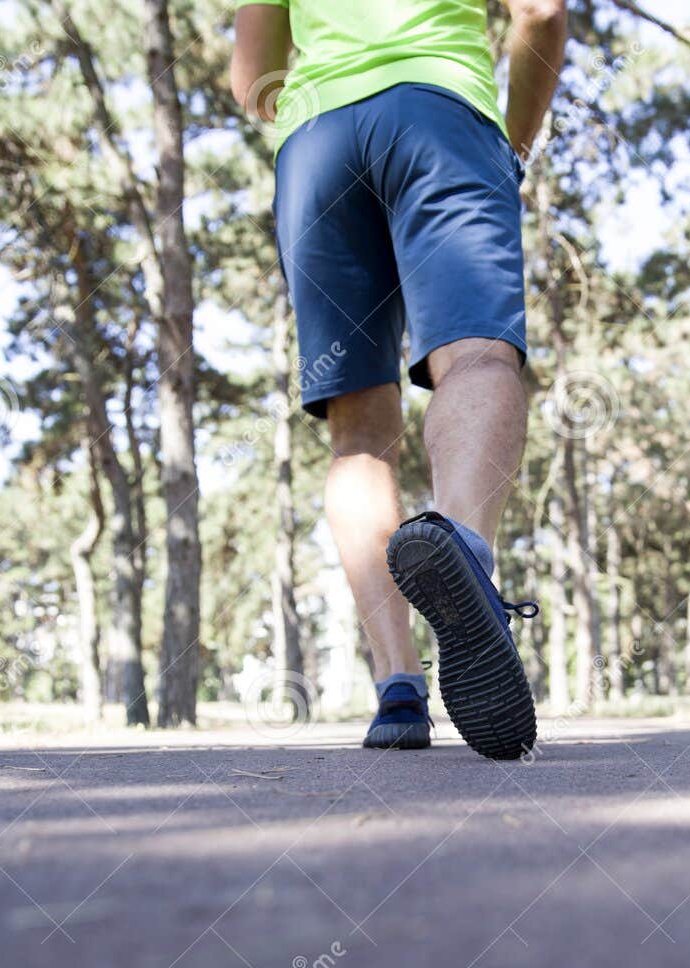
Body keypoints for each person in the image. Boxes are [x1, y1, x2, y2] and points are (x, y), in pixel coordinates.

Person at [232, 0, 566, 760]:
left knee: (358, 429)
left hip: (316, 146)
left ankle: (398, 685)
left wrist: (314, 105)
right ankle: (461, 550)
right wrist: (510, 141)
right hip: (442, 117)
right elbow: (541, 13)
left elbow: (250, 76)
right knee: (477, 358)